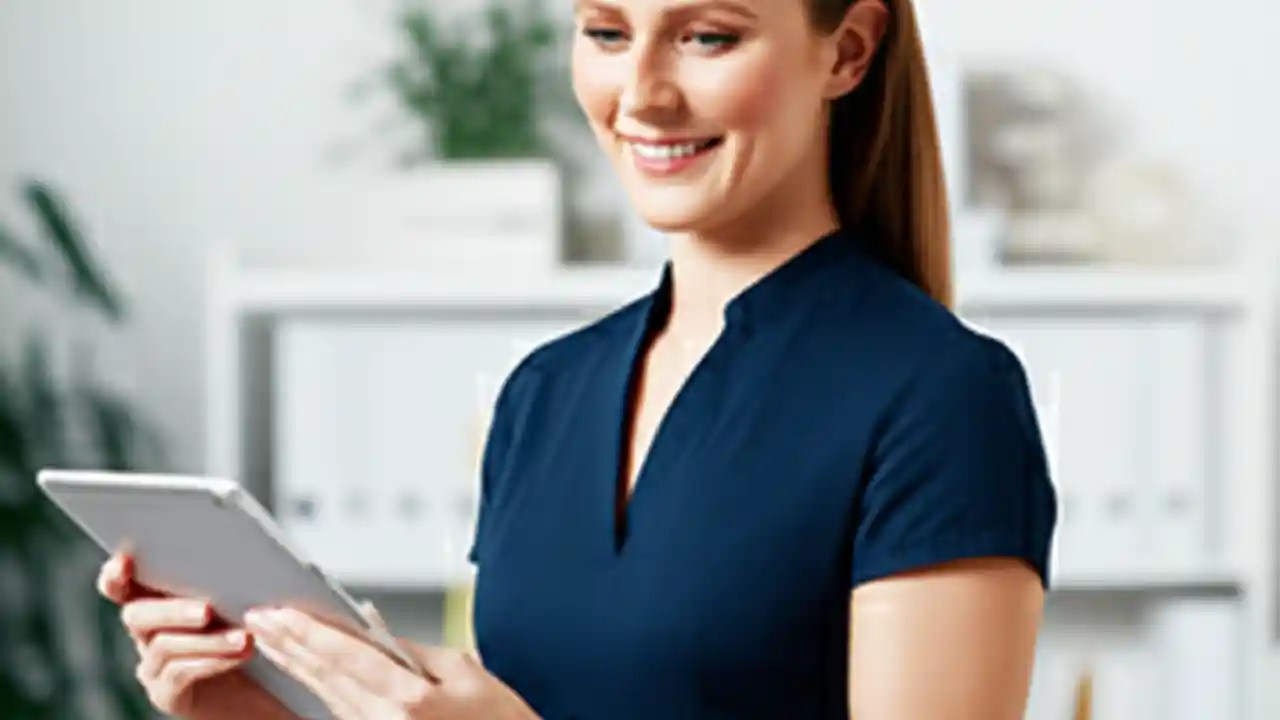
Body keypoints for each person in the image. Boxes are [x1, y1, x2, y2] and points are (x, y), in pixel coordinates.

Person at [97, 0, 1058, 717]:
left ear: (846, 51)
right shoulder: (545, 395)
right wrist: (269, 702)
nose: (641, 93)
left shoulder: (941, 396)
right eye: (605, 31)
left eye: (707, 36)